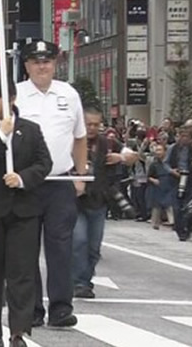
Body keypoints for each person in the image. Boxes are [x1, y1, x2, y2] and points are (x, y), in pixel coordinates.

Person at [0, 76, 52, 347]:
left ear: (12, 98)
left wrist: (23, 178)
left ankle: (18, 332)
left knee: (22, 273)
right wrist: (0, 135)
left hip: (23, 211)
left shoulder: (31, 130)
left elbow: (44, 163)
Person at [14, 40, 88, 328]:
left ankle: (60, 308)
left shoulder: (68, 94)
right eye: (36, 61)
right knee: (26, 249)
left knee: (61, 247)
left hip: (60, 182)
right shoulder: (16, 95)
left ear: (55, 64)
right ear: (26, 65)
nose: (42, 66)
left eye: (46, 61)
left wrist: (80, 176)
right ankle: (31, 309)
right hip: (27, 183)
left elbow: (79, 137)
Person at [72, 107, 137, 299]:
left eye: (95, 124)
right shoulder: (71, 141)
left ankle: (85, 280)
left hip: (99, 200)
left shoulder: (108, 142)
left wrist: (121, 157)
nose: (92, 128)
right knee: (79, 241)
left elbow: (133, 156)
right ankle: (79, 282)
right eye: (88, 124)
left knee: (94, 247)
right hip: (75, 201)